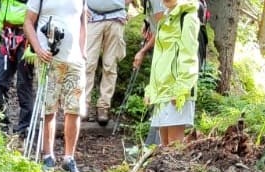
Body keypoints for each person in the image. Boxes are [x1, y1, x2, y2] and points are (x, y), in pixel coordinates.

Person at [25, 0, 89, 172]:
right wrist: (38, 48)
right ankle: (48, 156)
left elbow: (83, 22)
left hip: (75, 61)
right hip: (48, 58)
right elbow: (28, 21)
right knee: (48, 108)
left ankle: (69, 158)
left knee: (74, 109)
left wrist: (83, 51)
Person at [136, 0, 199, 147]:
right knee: (163, 148)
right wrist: (151, 89)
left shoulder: (188, 17)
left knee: (173, 148)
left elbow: (189, 57)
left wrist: (180, 89)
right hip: (161, 90)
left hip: (176, 91)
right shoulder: (165, 18)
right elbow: (159, 59)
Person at [0, 0, 38, 137]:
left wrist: (35, 44)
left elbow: (38, 11)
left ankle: (25, 126)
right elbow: (4, 12)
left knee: (24, 83)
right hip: (6, 34)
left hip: (26, 36)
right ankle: (3, 123)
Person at [82, 0, 128, 128]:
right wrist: (82, 8)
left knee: (110, 65)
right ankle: (83, 104)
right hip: (91, 17)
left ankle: (103, 106)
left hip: (116, 18)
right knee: (88, 63)